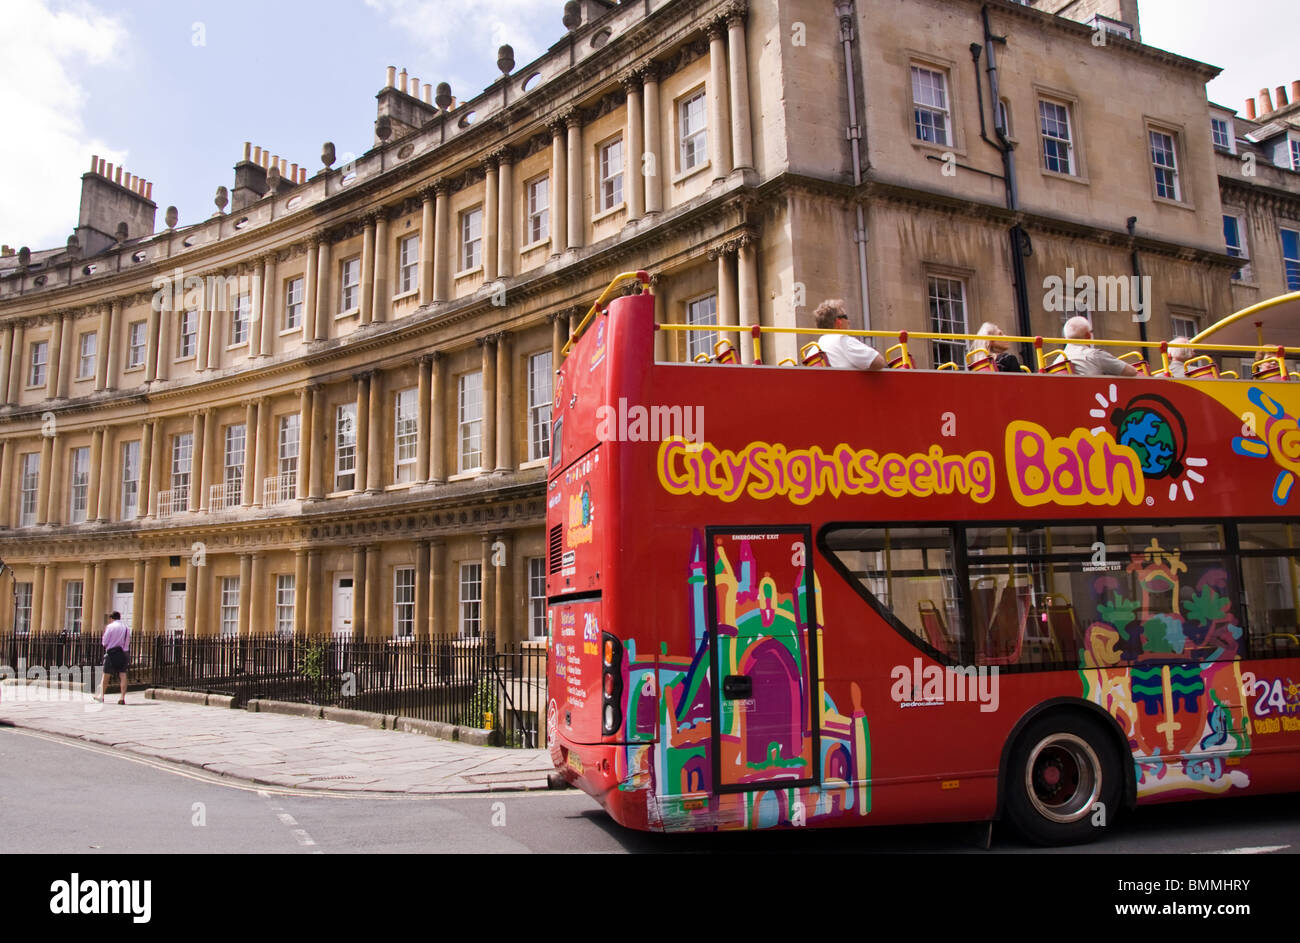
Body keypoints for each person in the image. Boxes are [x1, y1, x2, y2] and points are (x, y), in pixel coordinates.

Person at [813, 299, 884, 370]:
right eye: (846, 317)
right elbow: (879, 361)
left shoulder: (814, 349)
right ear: (838, 322)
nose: (849, 321)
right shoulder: (842, 340)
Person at [1063, 316, 1137, 377]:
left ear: (1064, 338)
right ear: (1088, 335)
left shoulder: (1058, 360)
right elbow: (1132, 372)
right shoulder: (1094, 355)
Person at [97, 610, 130, 705]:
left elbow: (105, 641)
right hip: (123, 652)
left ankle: (101, 696)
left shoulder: (110, 627)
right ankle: (122, 697)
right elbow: (127, 641)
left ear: (111, 618)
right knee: (123, 675)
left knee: (106, 675)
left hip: (111, 653)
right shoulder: (126, 628)